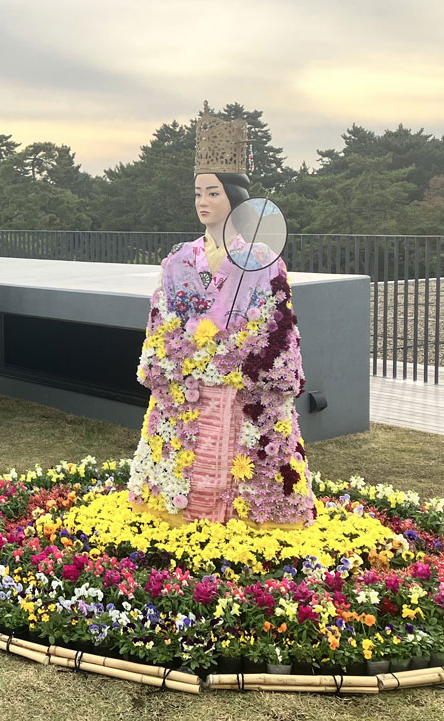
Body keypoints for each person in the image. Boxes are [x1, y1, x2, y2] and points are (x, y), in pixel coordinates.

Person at [126, 105, 316, 529]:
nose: (203, 202)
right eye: (197, 193)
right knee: (181, 458)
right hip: (189, 383)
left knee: (248, 459)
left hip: (239, 385)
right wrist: (186, 353)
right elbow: (162, 320)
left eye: (212, 192)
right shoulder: (178, 259)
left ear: (234, 196)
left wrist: (229, 354)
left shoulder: (264, 260)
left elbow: (275, 325)